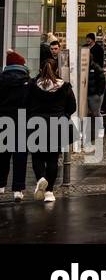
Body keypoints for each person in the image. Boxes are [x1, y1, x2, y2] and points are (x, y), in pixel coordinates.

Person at [25, 56, 75, 203]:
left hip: (36, 124)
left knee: (37, 156)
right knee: (52, 158)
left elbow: (24, 103)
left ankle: (41, 178)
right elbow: (72, 107)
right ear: (57, 70)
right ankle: (49, 192)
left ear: (41, 70)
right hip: (57, 124)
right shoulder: (64, 86)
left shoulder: (33, 85)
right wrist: (64, 115)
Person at [0, 50, 30, 202]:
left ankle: (1, 185)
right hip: (21, 121)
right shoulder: (27, 82)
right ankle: (18, 190)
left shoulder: (1, 79)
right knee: (20, 156)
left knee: (2, 154)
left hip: (3, 120)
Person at [85, 33, 106, 120]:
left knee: (96, 113)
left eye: (89, 39)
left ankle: (100, 129)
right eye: (87, 39)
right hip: (89, 92)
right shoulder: (86, 47)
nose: (87, 40)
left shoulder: (98, 49)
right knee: (90, 113)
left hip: (94, 94)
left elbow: (102, 82)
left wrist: (99, 94)